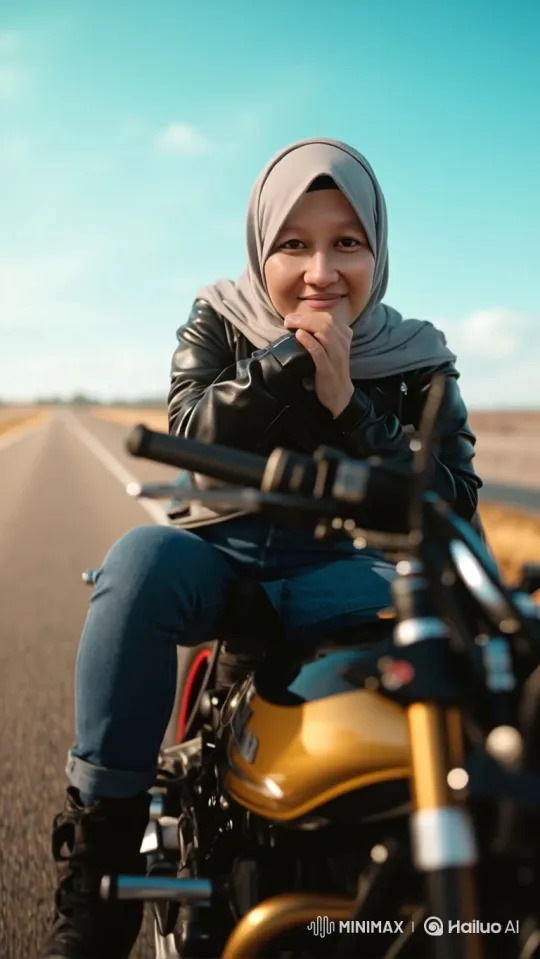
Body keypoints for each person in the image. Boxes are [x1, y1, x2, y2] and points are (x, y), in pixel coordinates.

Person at [40, 137, 483, 959]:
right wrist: (287, 363)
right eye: (294, 243)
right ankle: (99, 889)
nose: (321, 270)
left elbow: (454, 504)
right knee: (136, 566)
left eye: (347, 242)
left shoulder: (421, 357)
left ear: (377, 252)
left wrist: (349, 402)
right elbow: (189, 426)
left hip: (348, 573)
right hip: (224, 553)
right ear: (261, 247)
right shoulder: (219, 316)